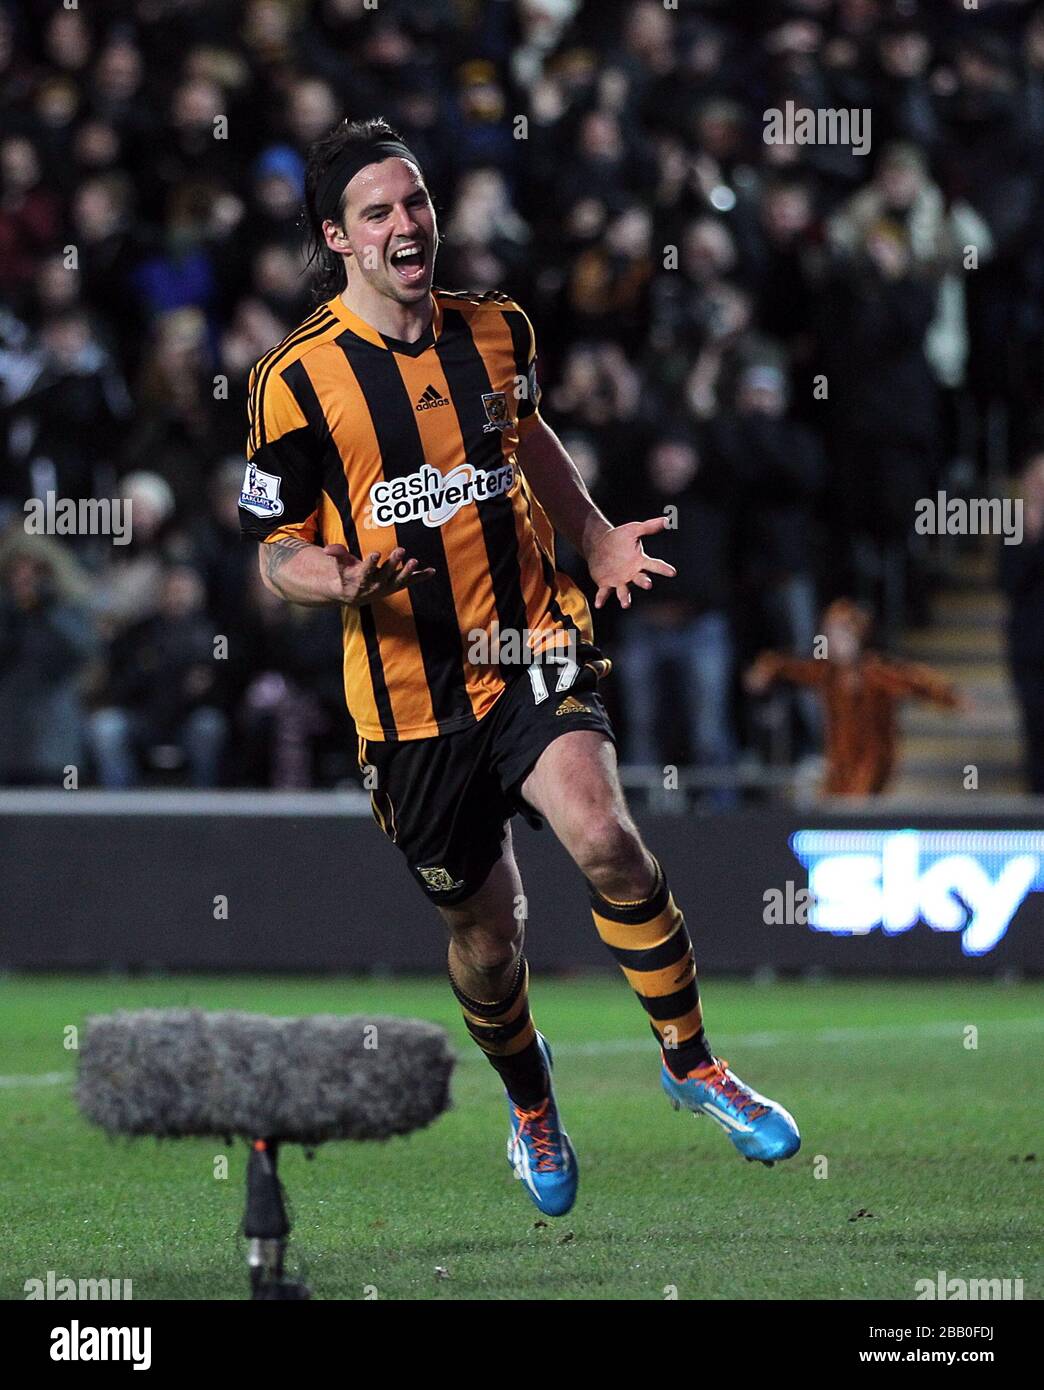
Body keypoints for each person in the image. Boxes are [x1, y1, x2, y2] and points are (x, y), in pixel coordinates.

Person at [238, 116, 799, 1219]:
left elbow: (527, 434)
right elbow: (271, 550)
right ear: (336, 238)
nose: (408, 225)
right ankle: (532, 1099)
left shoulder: (497, 331)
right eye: (379, 213)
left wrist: (591, 535)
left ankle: (691, 1063)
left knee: (608, 840)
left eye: (416, 201)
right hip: (410, 707)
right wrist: (334, 578)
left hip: (530, 642)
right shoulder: (293, 380)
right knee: (489, 943)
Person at [745, 598, 960, 797]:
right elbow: (788, 666)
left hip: (873, 762)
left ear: (857, 635)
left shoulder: (875, 672)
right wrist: (766, 668)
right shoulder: (827, 673)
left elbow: (917, 681)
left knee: (855, 809)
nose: (835, 641)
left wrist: (951, 699)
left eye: (841, 634)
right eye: (831, 634)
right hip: (839, 765)